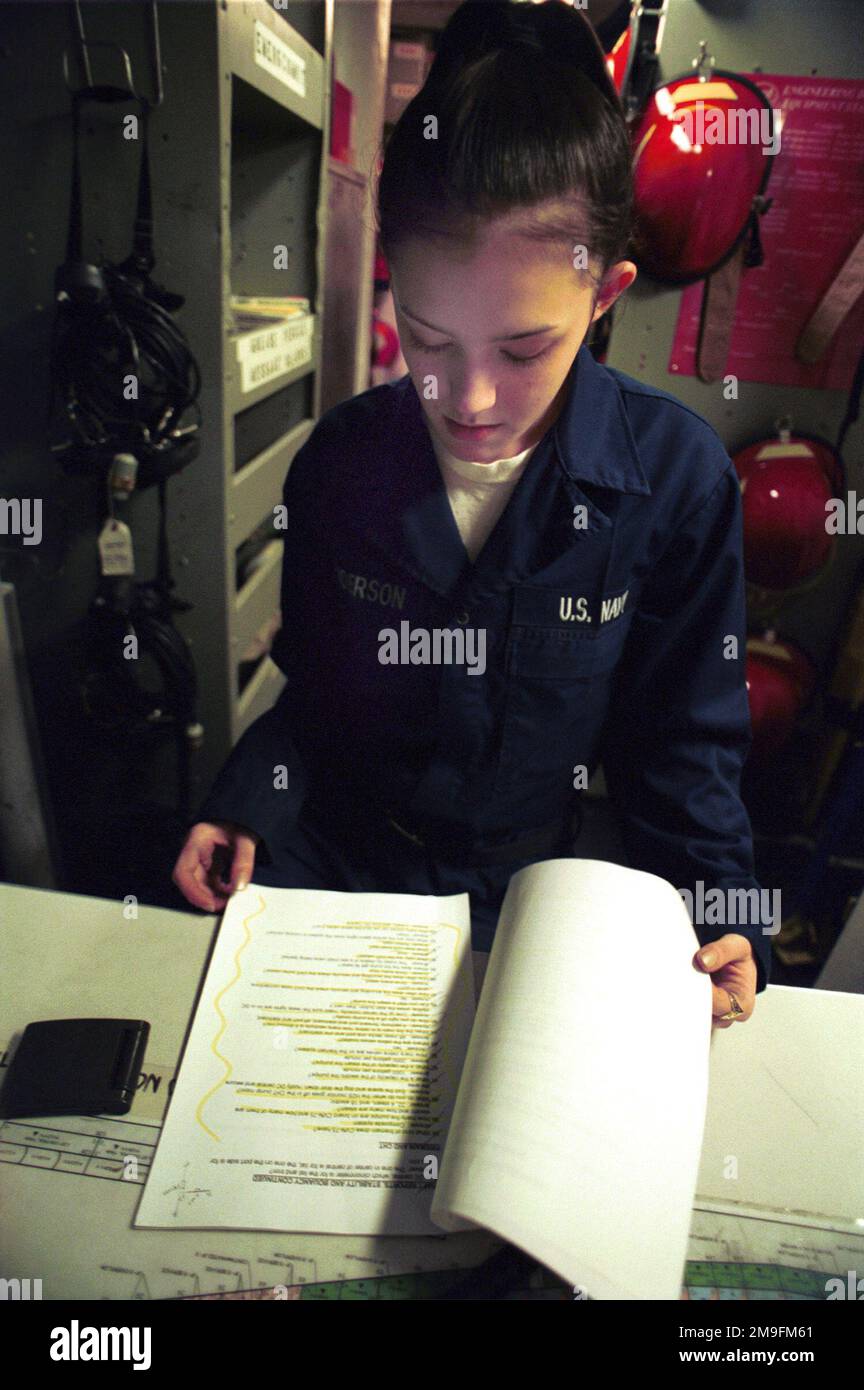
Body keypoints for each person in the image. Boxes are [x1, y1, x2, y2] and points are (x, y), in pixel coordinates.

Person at [173, 0, 772, 1026]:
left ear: (604, 296)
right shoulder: (342, 466)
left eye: (524, 349)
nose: (470, 399)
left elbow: (682, 743)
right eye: (428, 337)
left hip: (532, 890)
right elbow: (313, 699)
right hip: (340, 866)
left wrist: (724, 913)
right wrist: (247, 800)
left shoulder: (675, 482)